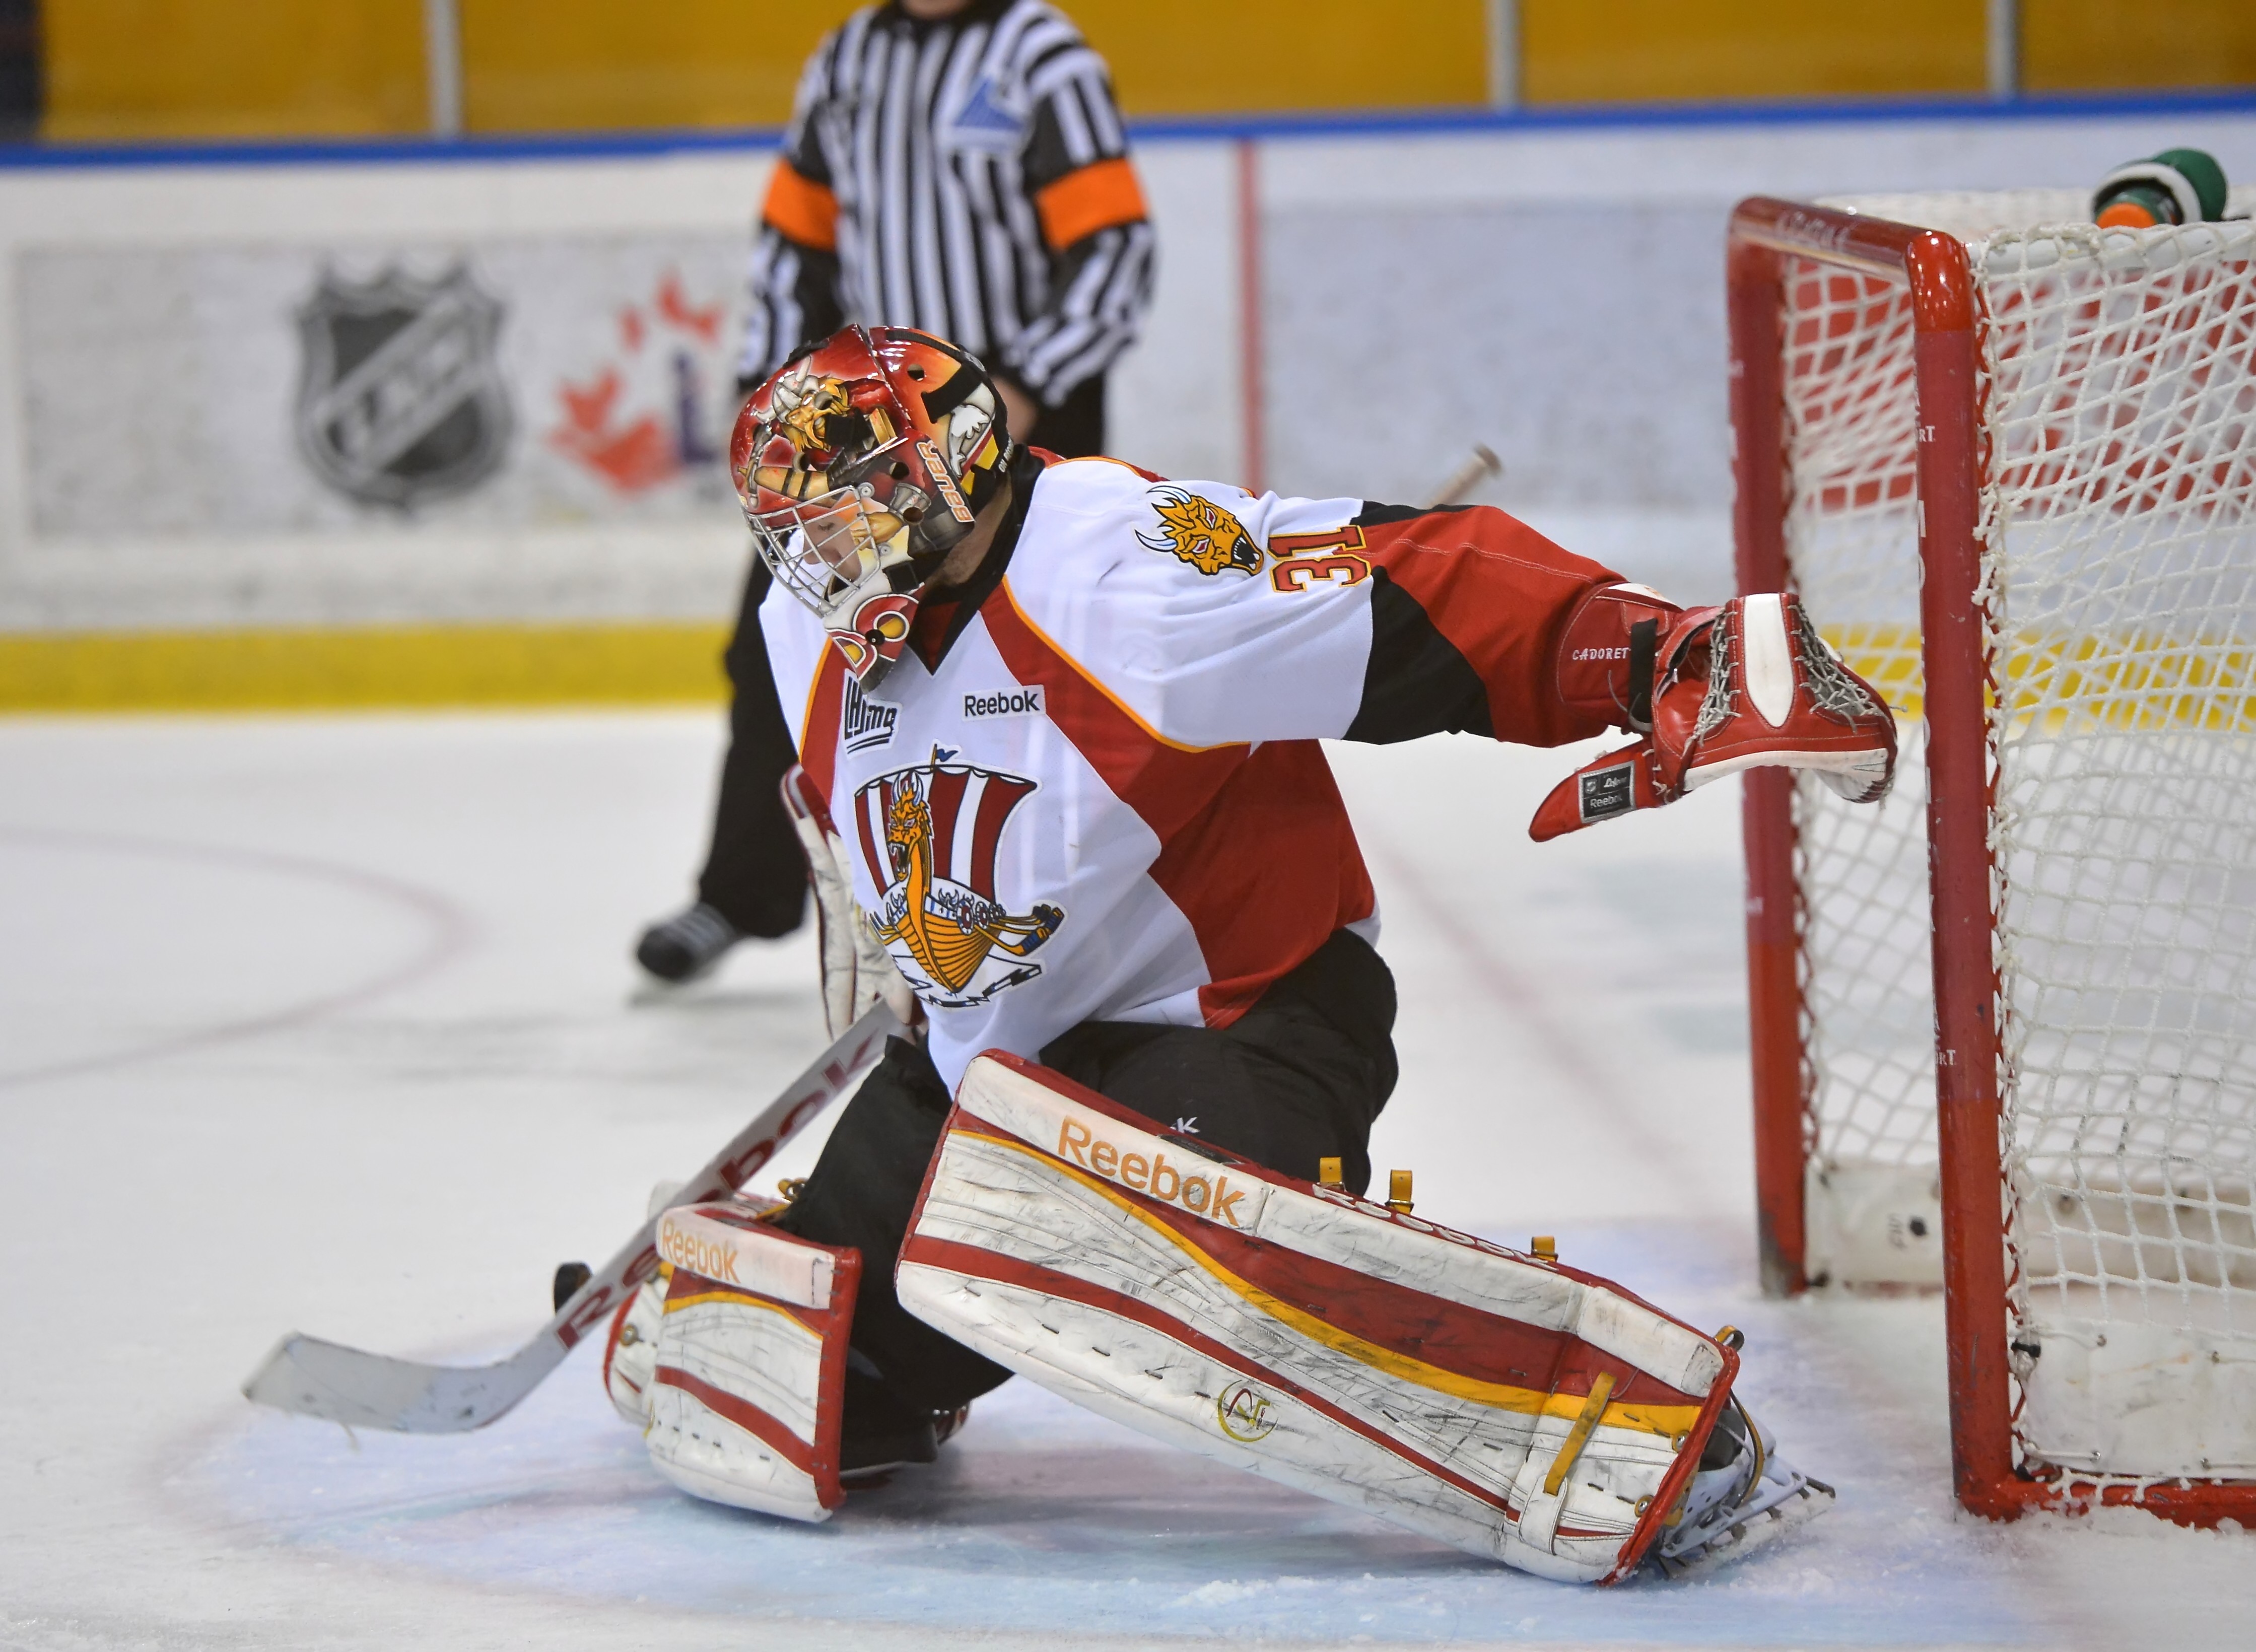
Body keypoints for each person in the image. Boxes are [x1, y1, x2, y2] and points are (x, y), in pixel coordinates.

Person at [602, 327, 1894, 1580]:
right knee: (799, 1372)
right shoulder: (805, 623)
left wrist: (1665, 652)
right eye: (794, 529)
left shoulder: (1123, 572)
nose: (814, 557)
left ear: (935, 477)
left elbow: (1415, 581)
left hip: (1235, 1022)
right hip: (990, 1064)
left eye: (843, 514)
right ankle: (889, 1329)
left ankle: (1640, 1429)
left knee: (1127, 1237)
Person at [635, 0, 1155, 982]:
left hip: (1015, 416)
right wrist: (781, 394)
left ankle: (1059, 898)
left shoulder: (1038, 56)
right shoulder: (847, 59)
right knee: (784, 649)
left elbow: (1113, 250)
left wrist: (1022, 387)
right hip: (865, 432)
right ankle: (740, 892)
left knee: (1037, 653)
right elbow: (794, 246)